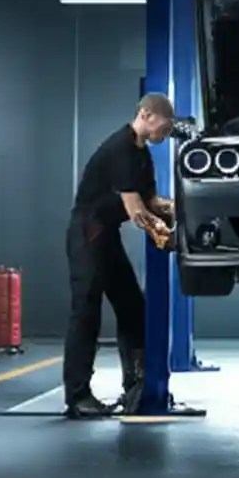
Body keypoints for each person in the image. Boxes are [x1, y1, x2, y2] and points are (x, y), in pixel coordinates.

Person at [63, 93, 177, 419]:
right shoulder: (121, 149)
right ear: (145, 115)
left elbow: (151, 200)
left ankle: (136, 387)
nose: (166, 134)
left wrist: (180, 207)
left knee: (132, 307)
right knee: (86, 313)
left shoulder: (142, 154)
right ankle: (78, 396)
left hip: (106, 235)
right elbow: (137, 211)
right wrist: (163, 235)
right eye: (164, 127)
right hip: (87, 234)